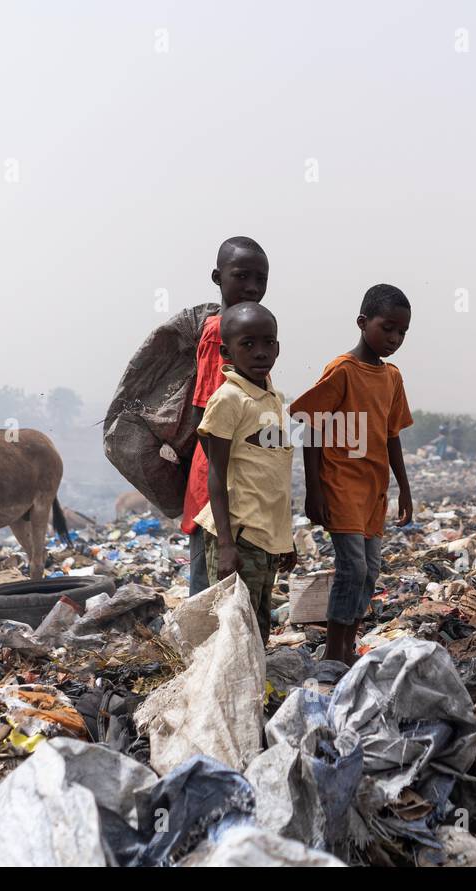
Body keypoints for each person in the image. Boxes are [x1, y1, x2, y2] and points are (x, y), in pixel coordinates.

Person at [290, 284, 414, 664]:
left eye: (401, 333)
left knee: (370, 571)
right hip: (340, 484)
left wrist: (404, 489)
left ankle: (348, 641)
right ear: (362, 323)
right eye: (387, 328)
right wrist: (314, 490)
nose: (394, 339)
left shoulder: (392, 377)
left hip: (373, 489)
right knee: (352, 567)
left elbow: (391, 435)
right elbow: (308, 424)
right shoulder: (342, 370)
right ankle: (334, 650)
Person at [192, 302, 295, 641]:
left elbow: (273, 473)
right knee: (234, 633)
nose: (260, 352)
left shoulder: (274, 399)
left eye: (268, 342)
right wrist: (224, 544)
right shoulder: (228, 399)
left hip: (266, 538)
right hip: (238, 535)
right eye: (247, 344)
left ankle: (251, 694)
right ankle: (226, 696)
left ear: (278, 347)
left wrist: (285, 538)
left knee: (258, 629)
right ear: (227, 351)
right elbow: (217, 474)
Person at [181, 237, 270, 595]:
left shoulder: (248, 333)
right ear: (218, 277)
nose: (252, 287)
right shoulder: (221, 332)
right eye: (241, 276)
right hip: (216, 483)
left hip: (233, 484)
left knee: (231, 590)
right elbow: (208, 414)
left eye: (261, 279)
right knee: (211, 591)